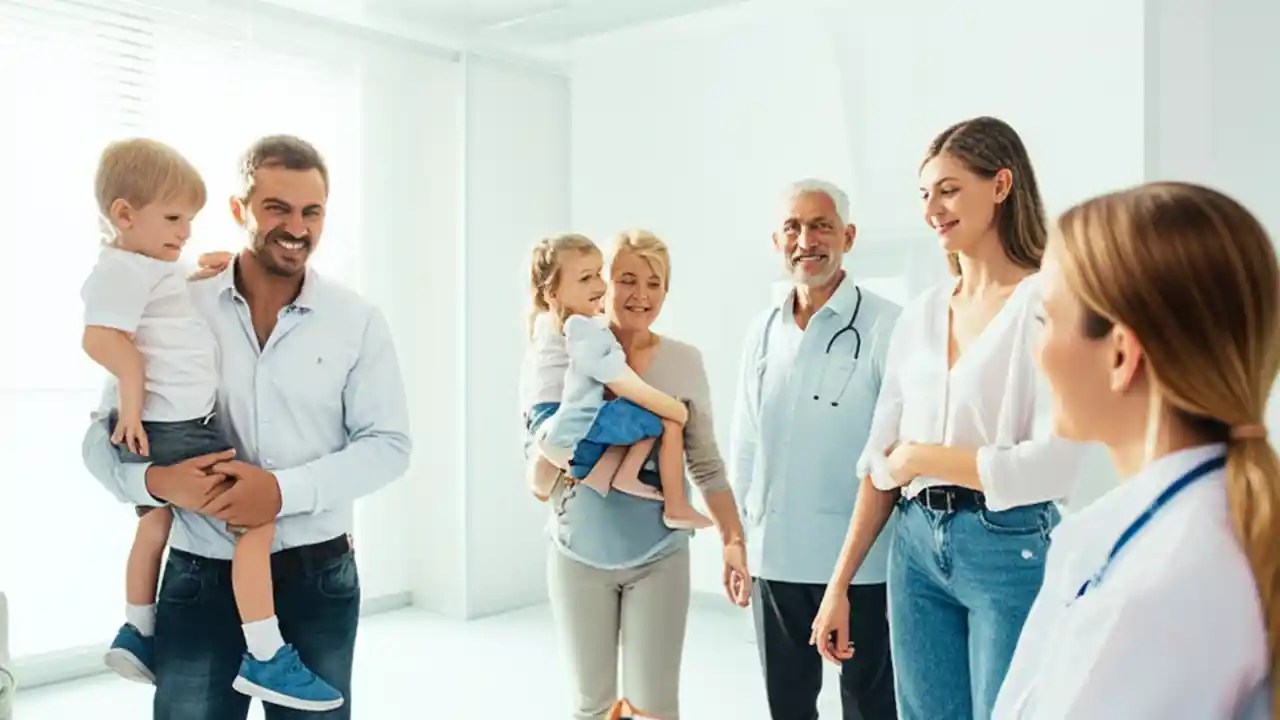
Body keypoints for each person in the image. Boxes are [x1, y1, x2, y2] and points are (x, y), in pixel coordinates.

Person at [81, 134, 412, 720]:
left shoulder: (355, 320)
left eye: (312, 212)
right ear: (239, 211)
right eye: (277, 208)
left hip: (318, 577)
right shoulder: (177, 298)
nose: (297, 227)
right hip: (198, 576)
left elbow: (388, 447)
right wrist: (159, 485)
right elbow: (100, 438)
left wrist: (280, 492)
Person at [808, 117, 1092, 720]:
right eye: (924, 195)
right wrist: (839, 585)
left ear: (1001, 185)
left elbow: (1056, 465)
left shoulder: (1047, 303)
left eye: (949, 189)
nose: (933, 209)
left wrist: (919, 459)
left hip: (1007, 545)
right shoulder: (919, 317)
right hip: (913, 548)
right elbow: (877, 459)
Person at [992, 181, 1277, 718]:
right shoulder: (1207, 530)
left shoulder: (1154, 591)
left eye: (1046, 319)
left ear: (1121, 354)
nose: (1038, 349)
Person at [542, 230, 750, 720]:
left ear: (666, 292)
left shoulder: (684, 361)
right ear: (603, 286)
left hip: (658, 558)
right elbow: (539, 444)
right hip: (577, 555)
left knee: (654, 708)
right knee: (591, 707)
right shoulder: (572, 348)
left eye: (653, 283)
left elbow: (705, 460)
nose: (640, 295)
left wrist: (733, 538)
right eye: (627, 280)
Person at [730, 179, 901, 720]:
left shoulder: (887, 325)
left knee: (870, 706)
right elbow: (746, 441)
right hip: (776, 555)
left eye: (821, 225)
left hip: (861, 564)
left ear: (848, 236)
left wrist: (847, 576)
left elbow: (893, 456)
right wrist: (738, 539)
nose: (806, 239)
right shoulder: (763, 330)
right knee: (789, 707)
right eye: (793, 227)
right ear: (777, 241)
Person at [521, 233, 712, 530]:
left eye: (599, 275)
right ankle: (675, 505)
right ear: (552, 293)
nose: (598, 286)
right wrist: (677, 412)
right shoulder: (582, 329)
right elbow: (620, 379)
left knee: (625, 420)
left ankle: (612, 477)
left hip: (550, 424)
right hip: (565, 425)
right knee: (663, 421)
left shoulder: (546, 326)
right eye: (586, 278)